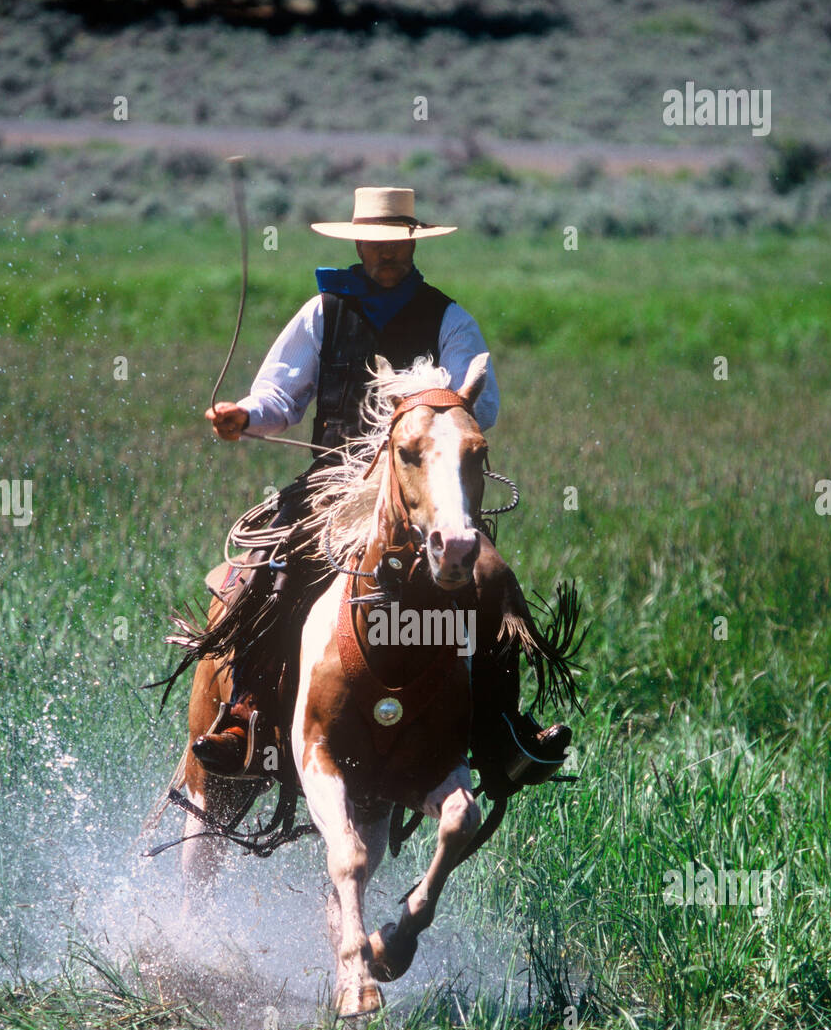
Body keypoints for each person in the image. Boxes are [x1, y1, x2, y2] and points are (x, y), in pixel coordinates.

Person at [191, 186, 573, 794]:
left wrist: (430, 412)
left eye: (398, 243)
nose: (387, 253)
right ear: (359, 243)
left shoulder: (450, 318)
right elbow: (280, 395)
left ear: (413, 243)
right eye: (377, 242)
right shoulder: (324, 310)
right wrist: (246, 414)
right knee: (268, 573)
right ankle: (246, 715)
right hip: (333, 487)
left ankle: (502, 731)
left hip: (423, 491)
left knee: (493, 581)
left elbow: (486, 404)